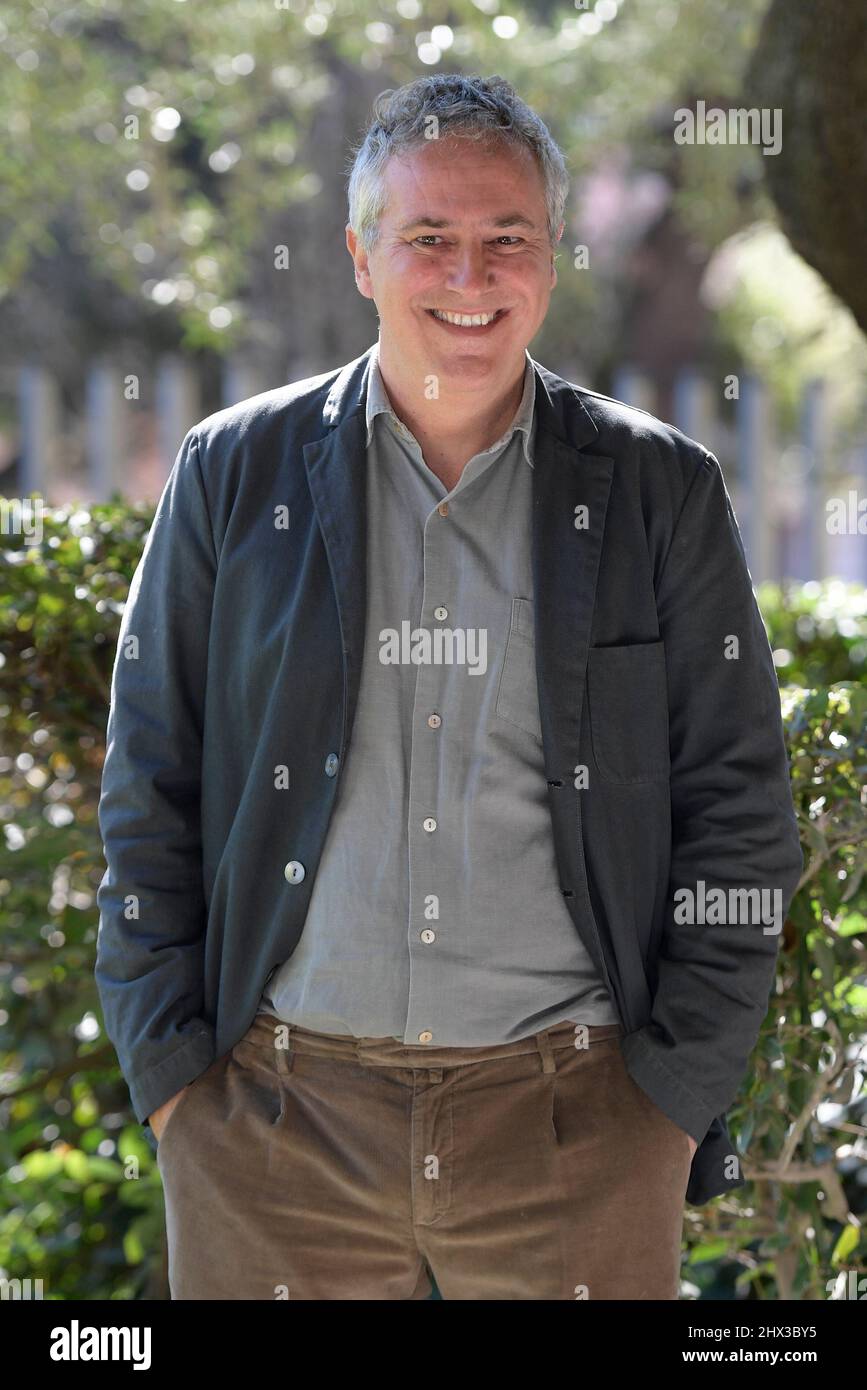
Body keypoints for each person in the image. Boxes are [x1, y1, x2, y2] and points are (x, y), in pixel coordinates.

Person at [95, 73, 803, 1300]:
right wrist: (175, 1087)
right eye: (430, 238)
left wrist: (671, 1107)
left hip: (578, 1132)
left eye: (506, 240)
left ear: (552, 258)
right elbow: (147, 785)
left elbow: (740, 810)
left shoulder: (659, 492)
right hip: (273, 1131)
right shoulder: (228, 474)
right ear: (364, 256)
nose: (470, 279)